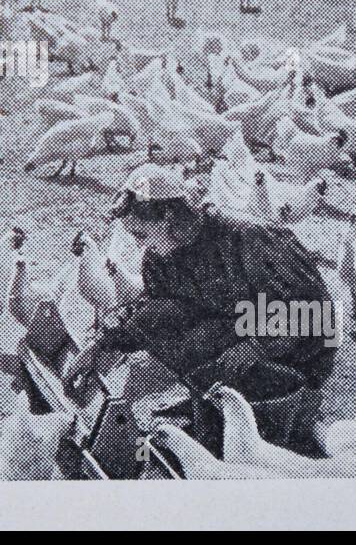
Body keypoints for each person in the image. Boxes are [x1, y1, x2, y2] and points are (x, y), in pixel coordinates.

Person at [66, 163, 337, 391]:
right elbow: (154, 311)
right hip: (237, 332)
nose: (140, 245)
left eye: (141, 235)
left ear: (168, 216)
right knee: (174, 340)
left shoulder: (247, 238)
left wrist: (257, 347)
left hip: (299, 352)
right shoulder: (159, 258)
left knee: (201, 346)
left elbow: (317, 311)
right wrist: (100, 344)